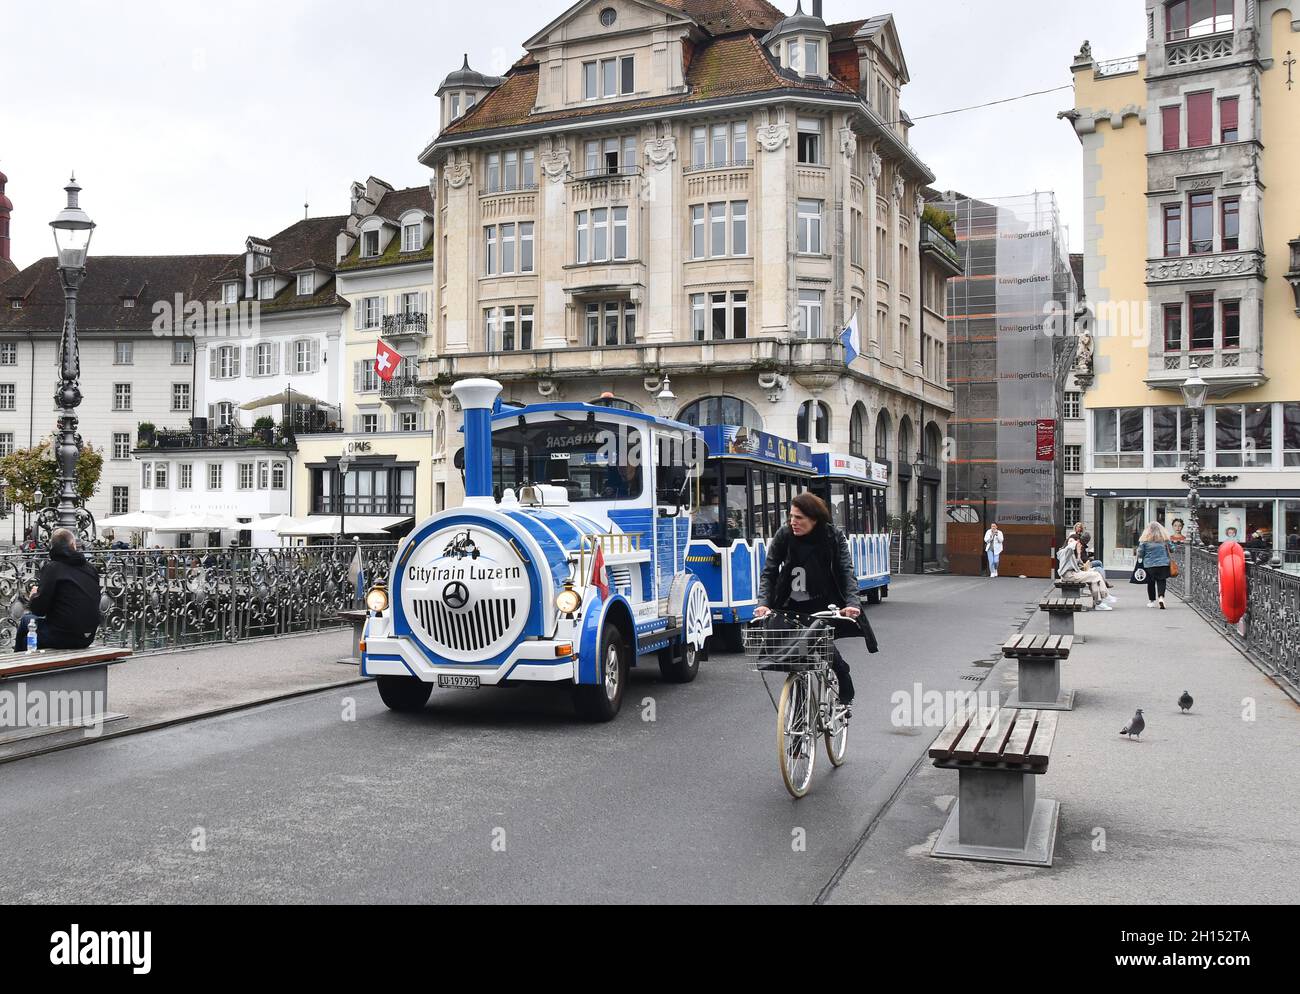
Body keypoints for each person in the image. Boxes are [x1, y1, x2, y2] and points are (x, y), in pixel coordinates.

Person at [755, 492, 879, 708]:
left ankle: (842, 673)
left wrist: (851, 604)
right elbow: (770, 571)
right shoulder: (784, 535)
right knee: (795, 658)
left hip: (824, 603)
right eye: (791, 516)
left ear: (815, 519)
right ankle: (799, 720)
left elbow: (845, 571)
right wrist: (764, 603)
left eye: (799, 518)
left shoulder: (833, 537)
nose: (793, 522)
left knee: (823, 645)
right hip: (790, 603)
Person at [12, 528, 102, 653]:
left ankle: (16, 666)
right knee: (27, 639)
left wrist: (34, 596)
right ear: (73, 545)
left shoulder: (53, 568)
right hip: (88, 636)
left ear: (52, 547)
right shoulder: (90, 568)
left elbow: (39, 610)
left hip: (63, 636)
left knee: (26, 621)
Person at [1058, 534, 1114, 610]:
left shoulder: (1072, 552)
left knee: (1095, 577)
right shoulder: (1064, 551)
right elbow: (1069, 549)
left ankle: (1098, 603)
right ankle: (1104, 596)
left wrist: (1078, 553)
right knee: (1095, 576)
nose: (1079, 546)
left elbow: (1079, 565)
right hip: (1069, 576)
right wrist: (1073, 541)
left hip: (1074, 574)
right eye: (1078, 543)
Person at [1136, 521, 1174, 609]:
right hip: (1163, 563)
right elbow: (1172, 549)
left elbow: (1140, 553)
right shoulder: (1165, 539)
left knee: (1151, 582)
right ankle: (1161, 597)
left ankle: (1152, 601)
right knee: (1161, 580)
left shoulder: (1144, 540)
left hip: (1149, 564)